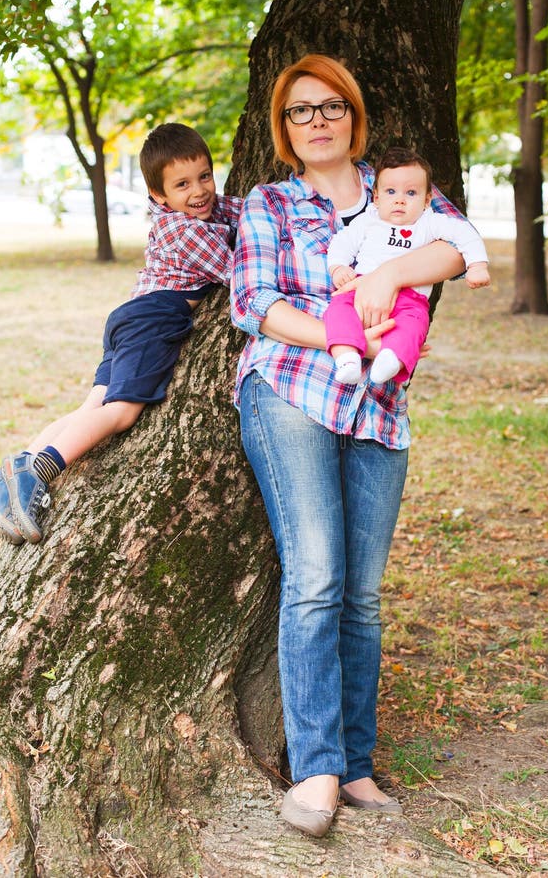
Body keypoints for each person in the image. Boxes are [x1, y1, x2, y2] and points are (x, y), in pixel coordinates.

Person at [230, 54, 469, 838]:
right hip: (294, 383)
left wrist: (390, 272)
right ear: (285, 129)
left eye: (331, 106)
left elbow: (457, 249)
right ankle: (319, 769)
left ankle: (359, 763)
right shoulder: (269, 202)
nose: (318, 120)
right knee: (318, 577)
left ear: (353, 115)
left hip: (379, 405)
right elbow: (254, 302)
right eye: (301, 111)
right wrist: (351, 333)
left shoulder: (397, 187)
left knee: (362, 595)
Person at [0, 123, 241, 545]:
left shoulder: (200, 211)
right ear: (159, 196)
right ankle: (41, 470)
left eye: (205, 176)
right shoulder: (184, 229)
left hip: (132, 316)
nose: (200, 191)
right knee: (121, 412)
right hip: (154, 318)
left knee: (94, 402)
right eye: (182, 184)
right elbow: (239, 273)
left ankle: (14, 467)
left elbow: (237, 209)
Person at [325, 146, 490, 385]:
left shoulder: (429, 222)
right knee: (337, 310)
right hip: (360, 290)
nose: (400, 199)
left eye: (411, 193)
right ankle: (346, 357)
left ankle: (390, 360)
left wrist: (477, 264)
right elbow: (341, 242)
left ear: (427, 200)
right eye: (391, 191)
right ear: (377, 197)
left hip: (410, 298)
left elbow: (465, 233)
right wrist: (338, 267)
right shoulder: (368, 220)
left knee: (414, 326)